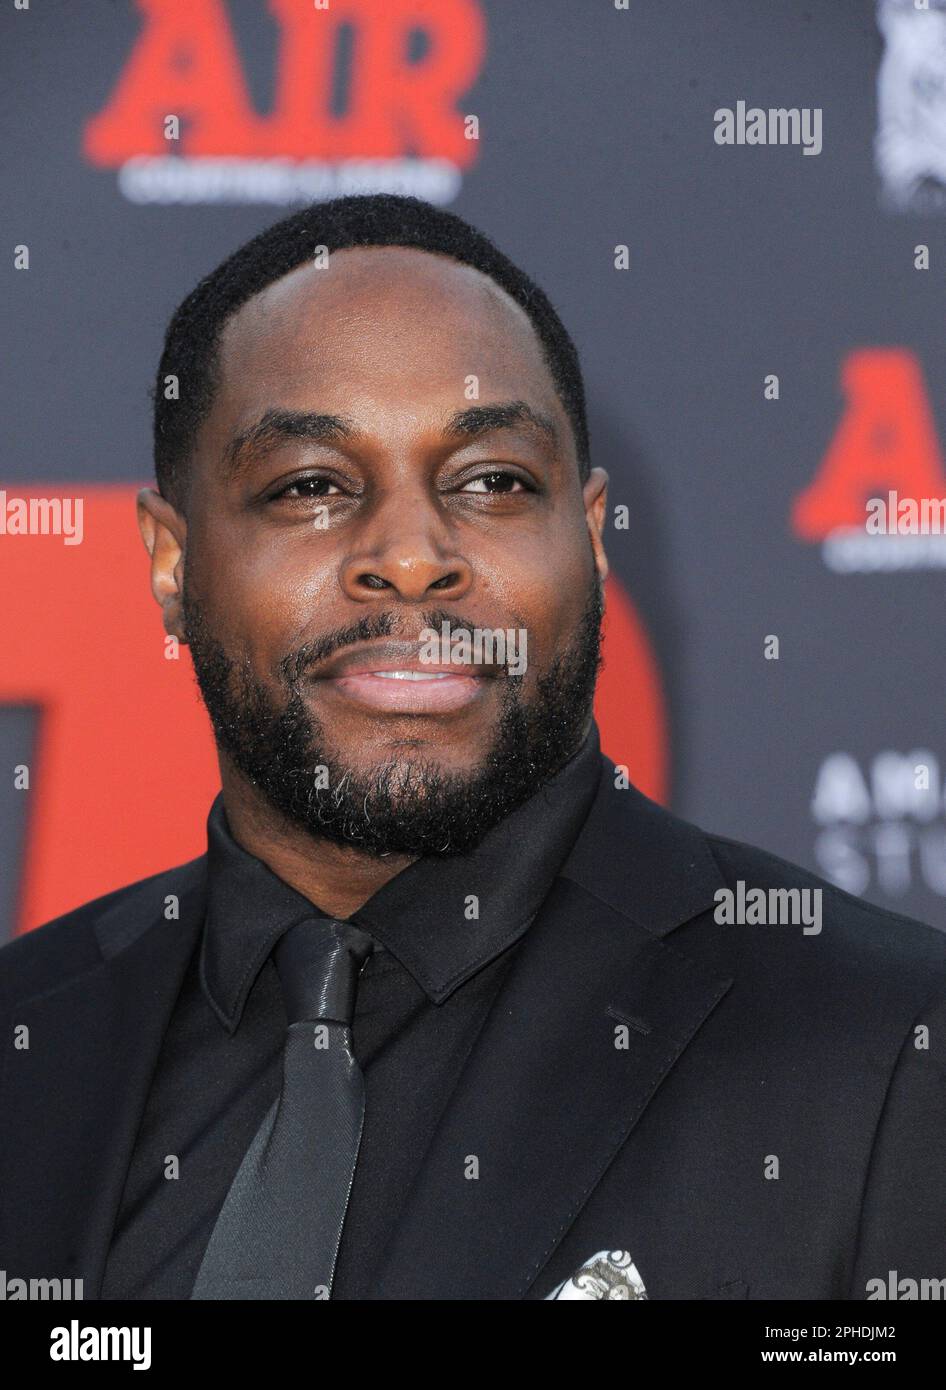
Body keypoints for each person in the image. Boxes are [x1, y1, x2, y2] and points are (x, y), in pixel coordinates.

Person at [1, 194, 944, 1302]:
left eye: (492, 482)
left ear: (589, 539)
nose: (411, 557)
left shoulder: (883, 1047)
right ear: (172, 564)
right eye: (311, 486)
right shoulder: (30, 1036)